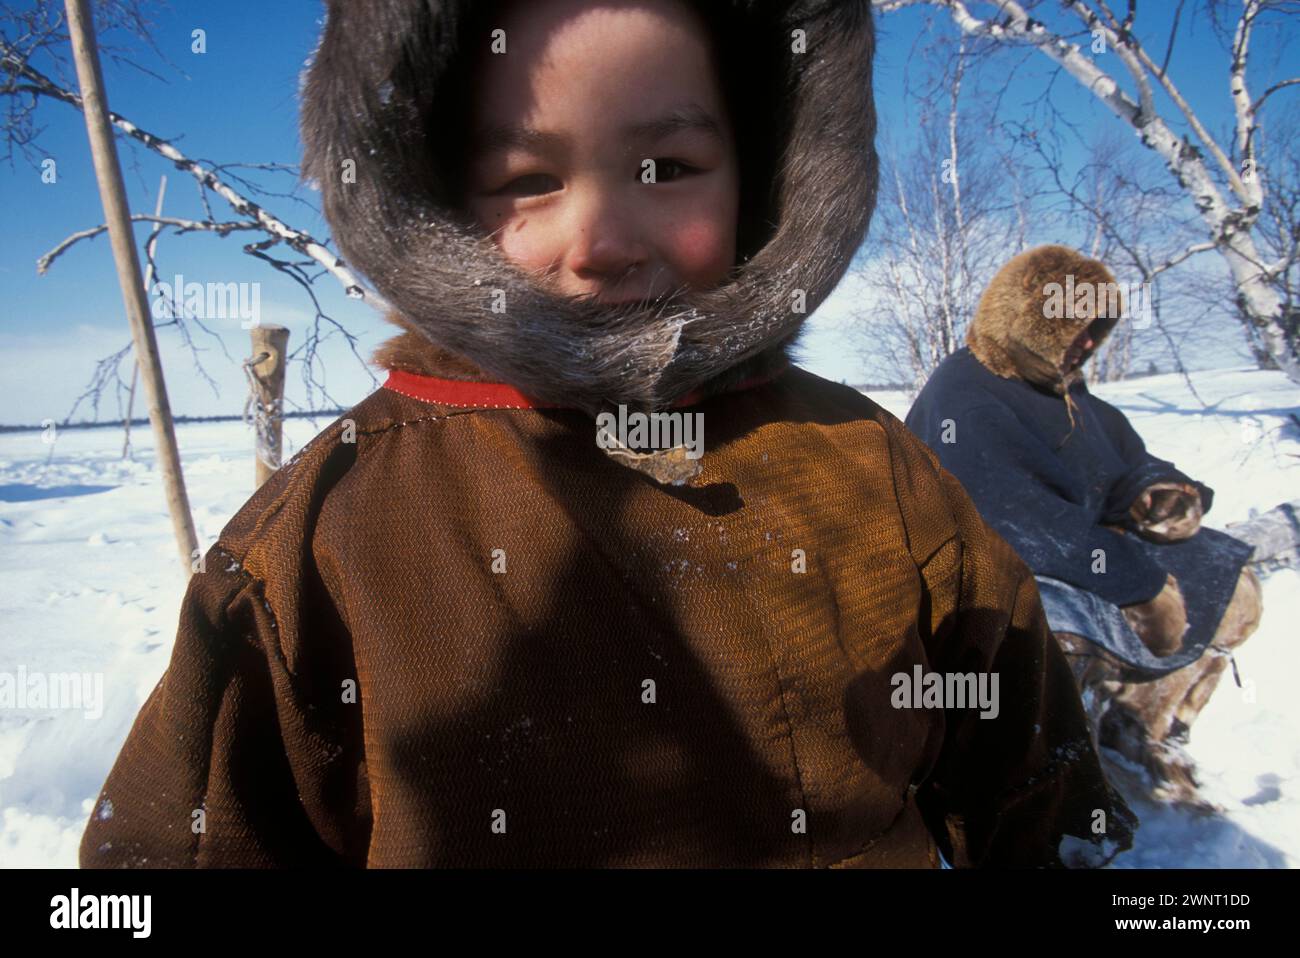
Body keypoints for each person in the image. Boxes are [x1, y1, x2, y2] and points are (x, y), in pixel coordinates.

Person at [79, 1, 1133, 868]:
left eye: (666, 168)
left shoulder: (874, 467)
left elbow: (1028, 779)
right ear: (432, 205)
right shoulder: (327, 535)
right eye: (527, 180)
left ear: (767, 181)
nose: (597, 242)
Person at [905, 245, 1262, 806]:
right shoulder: (964, 394)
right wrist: (1141, 586)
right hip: (988, 576)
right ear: (1031, 323)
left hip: (1079, 548)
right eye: (1077, 329)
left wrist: (1155, 492)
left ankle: (1140, 724)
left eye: (1098, 328)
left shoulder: (1064, 386)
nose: (1091, 343)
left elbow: (1119, 463)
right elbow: (1017, 522)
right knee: (1053, 638)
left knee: (1229, 579)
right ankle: (1049, 794)